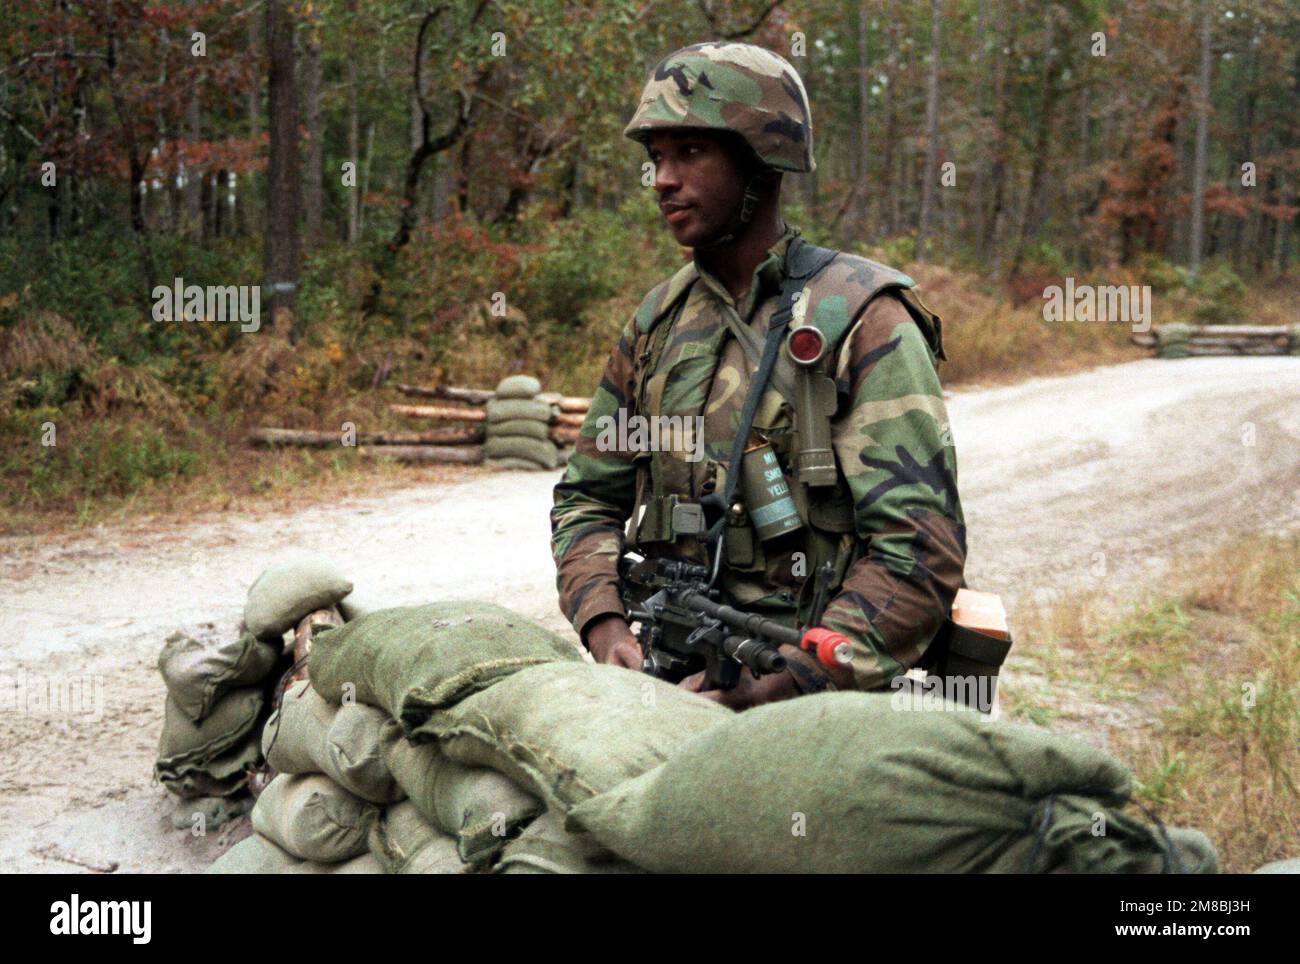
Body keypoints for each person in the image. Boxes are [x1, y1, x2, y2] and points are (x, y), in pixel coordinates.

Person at [551, 41, 965, 710]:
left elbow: (919, 553)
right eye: (656, 157)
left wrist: (774, 688)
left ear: (763, 161)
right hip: (667, 679)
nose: (661, 178)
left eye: (690, 152)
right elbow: (588, 499)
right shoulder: (657, 322)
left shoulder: (862, 317)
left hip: (814, 699)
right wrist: (603, 623)